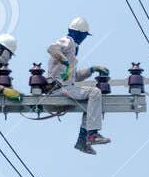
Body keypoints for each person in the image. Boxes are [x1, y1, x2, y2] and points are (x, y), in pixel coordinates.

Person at [47, 15, 111, 155]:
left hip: (66, 87)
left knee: (92, 102)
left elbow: (74, 77)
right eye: (84, 35)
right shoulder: (67, 41)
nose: (84, 38)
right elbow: (52, 48)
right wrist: (65, 62)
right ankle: (92, 134)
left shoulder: (72, 49)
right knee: (95, 93)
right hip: (58, 89)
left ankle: (82, 140)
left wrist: (92, 69)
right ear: (79, 34)